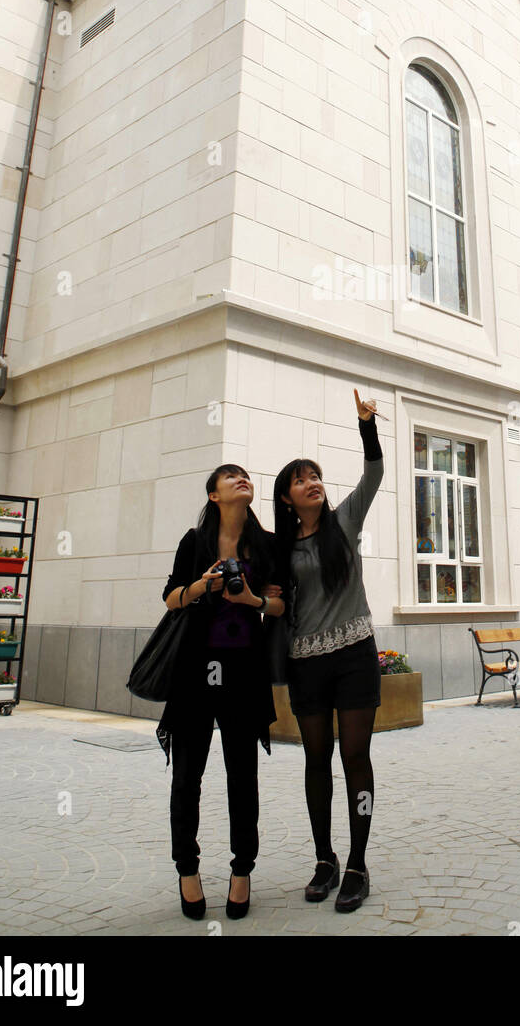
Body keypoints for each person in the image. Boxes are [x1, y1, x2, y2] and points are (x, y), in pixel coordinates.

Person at [270, 388, 384, 912]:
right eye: (300, 479)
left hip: (355, 654)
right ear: (287, 497)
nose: (312, 483)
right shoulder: (281, 549)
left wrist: (366, 427)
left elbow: (374, 475)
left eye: (315, 476)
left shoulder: (344, 521)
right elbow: (274, 604)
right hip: (306, 664)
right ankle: (324, 859)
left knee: (355, 757)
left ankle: (357, 862)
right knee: (317, 759)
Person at [157, 464, 284, 921]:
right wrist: (202, 585)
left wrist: (251, 600)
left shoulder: (266, 545)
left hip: (243, 672)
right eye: (230, 478)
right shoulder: (195, 541)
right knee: (187, 777)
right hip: (195, 670)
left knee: (242, 775)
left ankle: (242, 870)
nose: (241, 480)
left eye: (245, 476)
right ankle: (187, 870)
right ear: (214, 495)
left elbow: (281, 602)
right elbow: (171, 597)